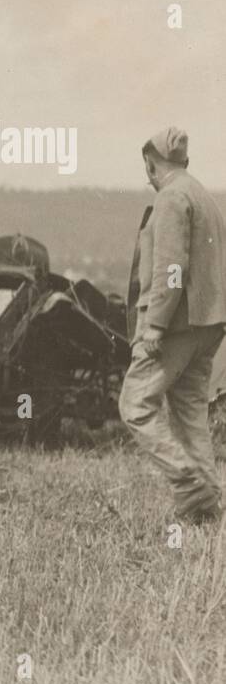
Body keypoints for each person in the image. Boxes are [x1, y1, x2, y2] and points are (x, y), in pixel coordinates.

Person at [119, 127, 226, 525]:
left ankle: (189, 485)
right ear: (185, 160)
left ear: (150, 163)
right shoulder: (202, 195)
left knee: (134, 405)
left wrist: (155, 328)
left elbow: (172, 271)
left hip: (177, 327)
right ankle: (208, 504)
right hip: (209, 325)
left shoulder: (170, 198)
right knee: (189, 413)